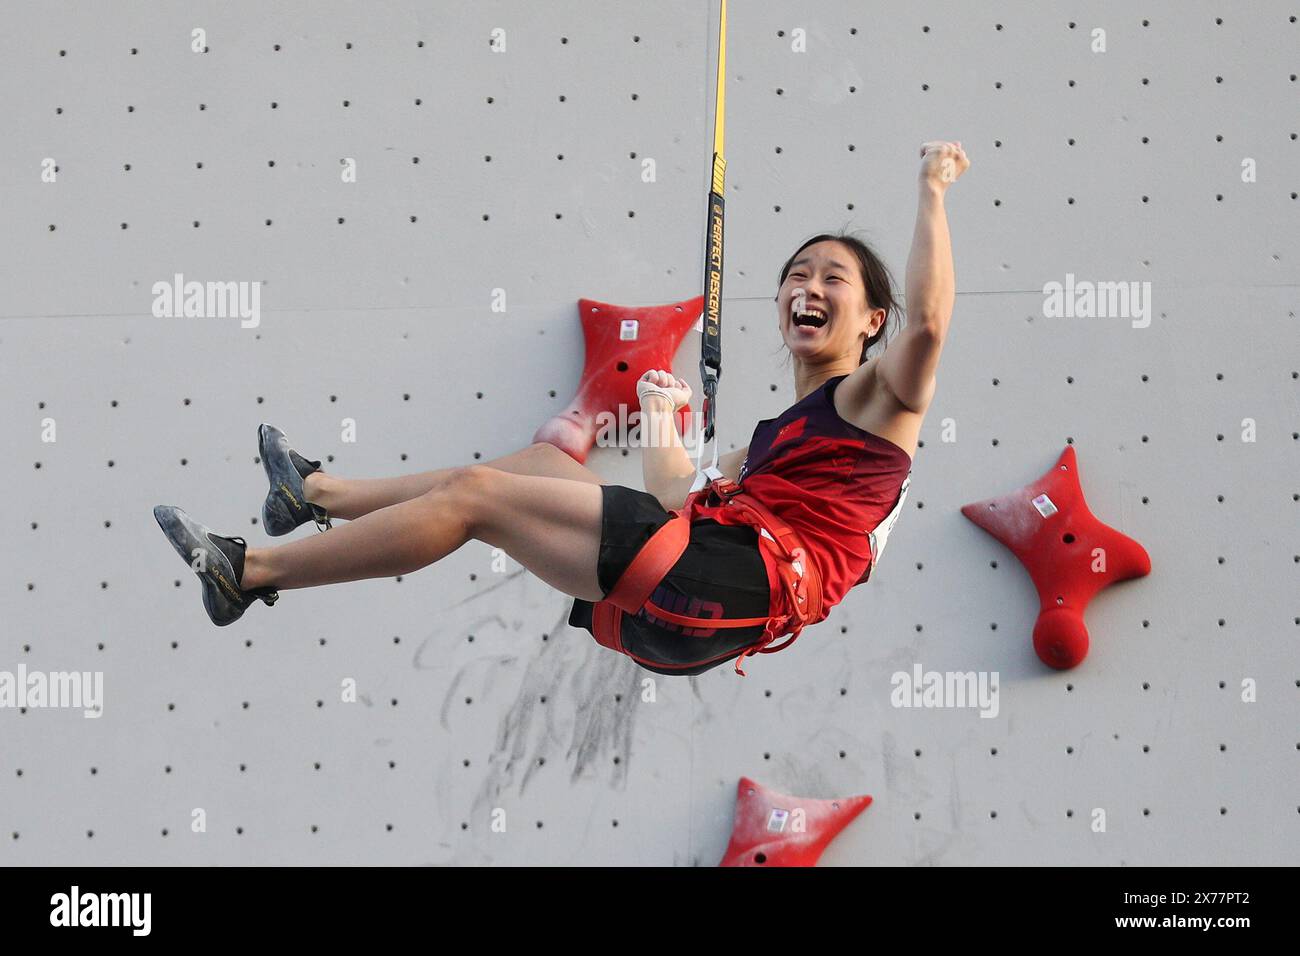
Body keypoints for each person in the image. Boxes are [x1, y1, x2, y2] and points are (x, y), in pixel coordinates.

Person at [154, 140, 969, 677]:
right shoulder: (775, 442)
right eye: (796, 273)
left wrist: (930, 190)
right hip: (689, 599)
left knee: (475, 497)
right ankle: (318, 493)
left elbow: (928, 324)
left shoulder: (867, 404)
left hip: (722, 585)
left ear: (870, 321)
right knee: (539, 469)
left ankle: (249, 573)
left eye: (832, 278)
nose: (806, 287)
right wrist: (660, 411)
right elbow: (672, 494)